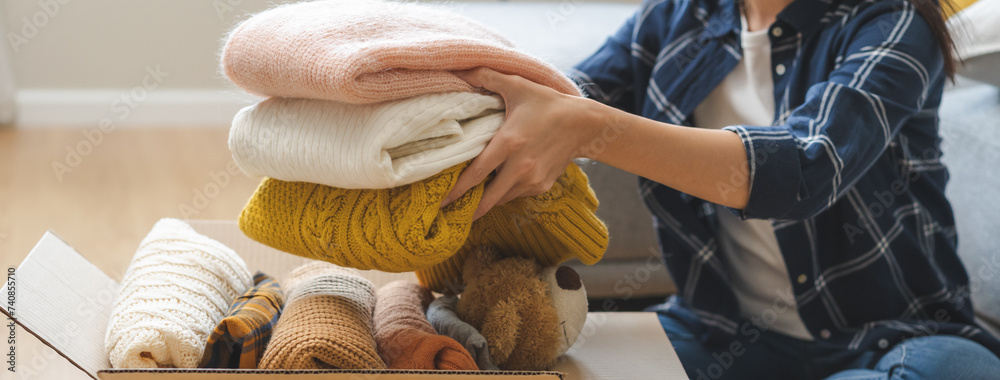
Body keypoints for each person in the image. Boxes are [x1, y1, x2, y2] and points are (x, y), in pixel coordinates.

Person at [439, 0, 1000, 378]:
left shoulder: (895, 21)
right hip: (720, 332)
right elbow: (564, 92)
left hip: (899, 338)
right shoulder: (679, 17)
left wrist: (585, 126)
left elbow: (807, 169)